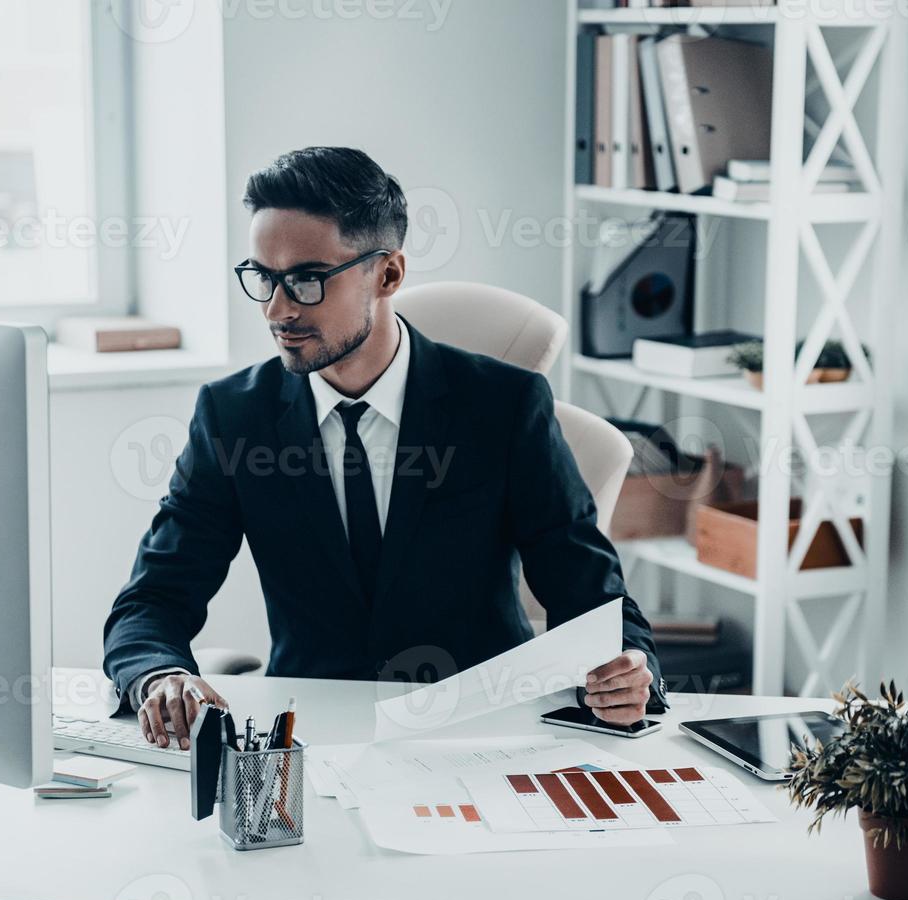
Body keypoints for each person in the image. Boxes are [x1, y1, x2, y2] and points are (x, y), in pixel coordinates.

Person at [103, 146, 667, 749]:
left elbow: (589, 591)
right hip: (311, 735)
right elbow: (155, 596)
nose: (276, 308)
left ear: (389, 274)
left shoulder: (503, 406)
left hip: (481, 733)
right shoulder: (234, 415)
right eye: (264, 277)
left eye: (307, 280)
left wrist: (633, 667)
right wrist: (160, 674)